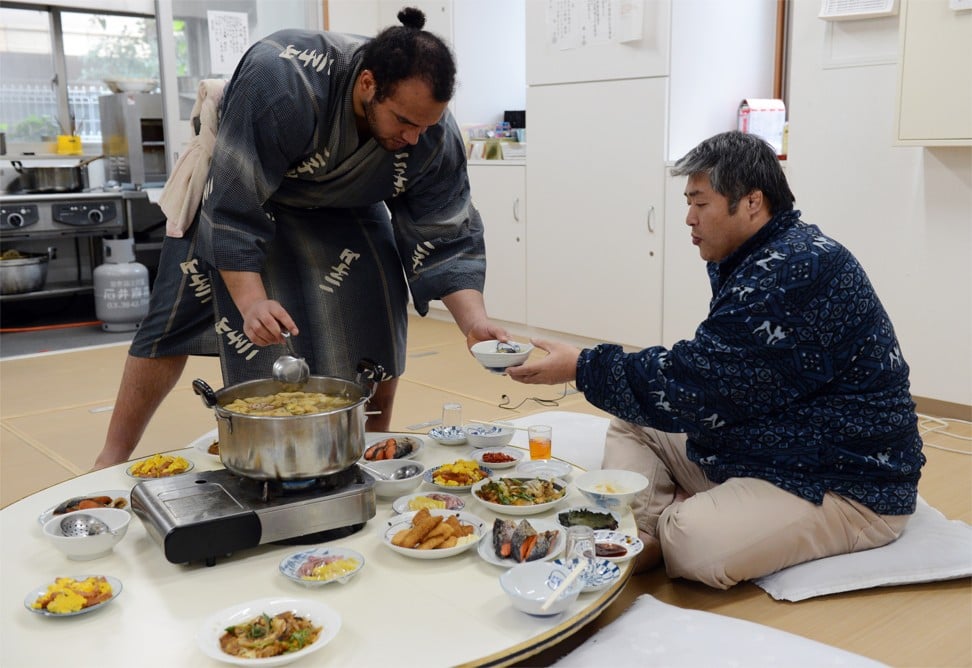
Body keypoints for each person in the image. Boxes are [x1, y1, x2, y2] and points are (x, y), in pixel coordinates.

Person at [506, 131, 925, 589]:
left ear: (752, 202)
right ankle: (644, 532)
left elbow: (701, 384)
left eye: (700, 204)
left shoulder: (795, 268)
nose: (689, 218)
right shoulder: (756, 253)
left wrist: (581, 366)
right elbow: (722, 377)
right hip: (771, 442)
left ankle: (669, 522)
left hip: (845, 479)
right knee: (635, 418)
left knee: (693, 541)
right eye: (688, 203)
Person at [93, 7, 508, 469]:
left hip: (347, 202)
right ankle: (110, 456)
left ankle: (365, 452)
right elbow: (234, 200)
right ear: (367, 84)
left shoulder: (430, 131)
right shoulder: (282, 78)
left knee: (378, 307)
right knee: (172, 317)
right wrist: (251, 301)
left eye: (425, 126)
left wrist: (474, 323)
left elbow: (446, 230)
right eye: (404, 121)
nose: (414, 137)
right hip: (246, 185)